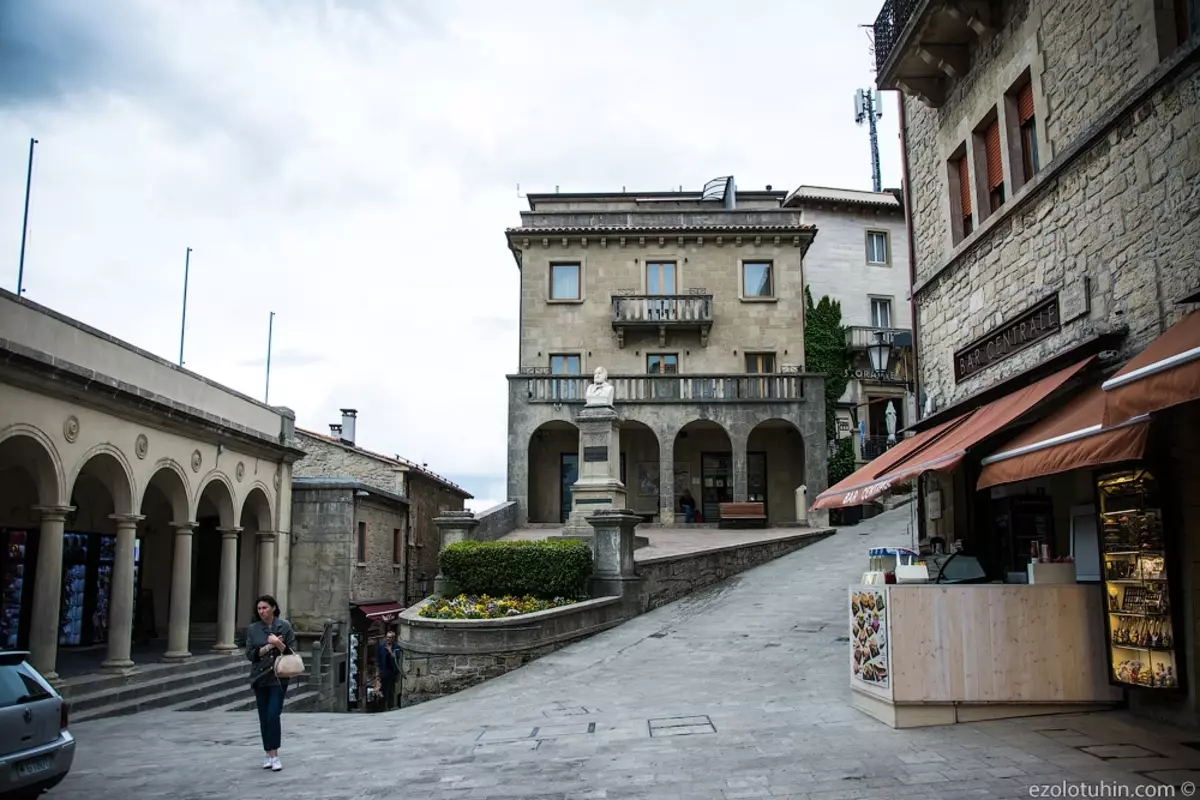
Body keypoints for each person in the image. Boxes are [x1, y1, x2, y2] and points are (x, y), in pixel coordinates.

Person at [245, 594, 297, 772]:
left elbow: (292, 652)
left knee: (273, 714)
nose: (262, 611)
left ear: (273, 608)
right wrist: (267, 647)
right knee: (264, 717)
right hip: (260, 677)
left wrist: (278, 644)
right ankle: (268, 752)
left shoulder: (285, 626)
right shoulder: (253, 629)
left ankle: (275, 755)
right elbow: (250, 654)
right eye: (259, 609)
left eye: (265, 608)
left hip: (279, 676)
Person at [377, 631, 400, 710]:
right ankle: (382, 707)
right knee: (382, 691)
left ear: (393, 639)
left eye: (390, 637)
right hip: (383, 673)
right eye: (387, 637)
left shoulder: (396, 647)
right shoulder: (381, 647)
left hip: (391, 673)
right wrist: (377, 672)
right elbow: (378, 660)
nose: (387, 639)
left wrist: (390, 652)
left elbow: (396, 659)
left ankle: (390, 706)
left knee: (390, 691)